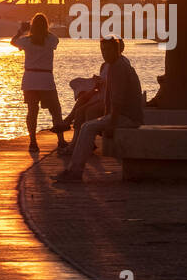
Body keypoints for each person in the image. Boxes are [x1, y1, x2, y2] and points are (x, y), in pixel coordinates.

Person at [56, 37, 144, 182]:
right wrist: (105, 118)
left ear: (117, 50)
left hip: (128, 118)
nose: (105, 53)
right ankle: (74, 170)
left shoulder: (118, 68)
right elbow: (111, 100)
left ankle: (75, 172)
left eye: (108, 49)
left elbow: (118, 101)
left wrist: (111, 124)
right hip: (123, 115)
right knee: (87, 126)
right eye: (103, 50)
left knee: (88, 127)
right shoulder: (115, 65)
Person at [11, 13, 67, 154]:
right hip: (46, 79)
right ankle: (60, 140)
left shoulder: (26, 41)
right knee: (55, 111)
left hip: (30, 79)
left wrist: (21, 31)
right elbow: (54, 40)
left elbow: (13, 41)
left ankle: (33, 142)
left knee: (32, 112)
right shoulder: (51, 40)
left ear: (32, 26)